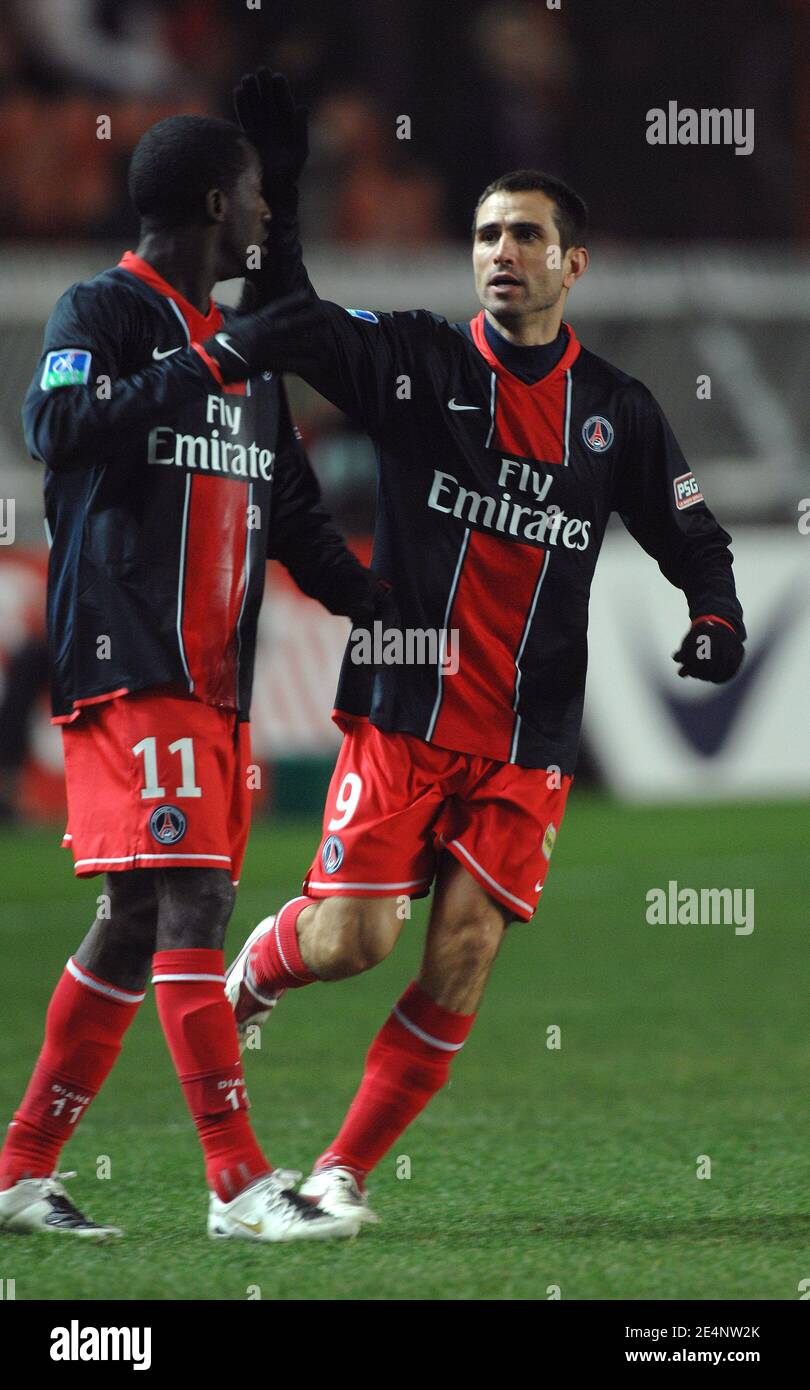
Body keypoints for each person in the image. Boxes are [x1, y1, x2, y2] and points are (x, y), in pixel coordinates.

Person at [207, 77, 747, 1230]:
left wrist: (717, 616)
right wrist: (284, 196)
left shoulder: (617, 412)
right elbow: (290, 318)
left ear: (574, 264)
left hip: (529, 736)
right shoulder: (416, 364)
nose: (503, 252)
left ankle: (340, 1171)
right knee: (355, 939)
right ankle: (256, 966)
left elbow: (692, 533)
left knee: (459, 953)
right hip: (407, 709)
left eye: (526, 236)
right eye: (487, 235)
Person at [0, 90, 387, 1244]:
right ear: (219, 204)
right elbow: (57, 428)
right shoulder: (104, 309)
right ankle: (238, 1185)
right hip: (131, 655)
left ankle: (18, 1171)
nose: (271, 213)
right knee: (194, 898)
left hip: (213, 680)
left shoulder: (253, 359)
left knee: (131, 919)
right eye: (260, 194)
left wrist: (393, 605)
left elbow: (300, 525)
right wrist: (219, 352)